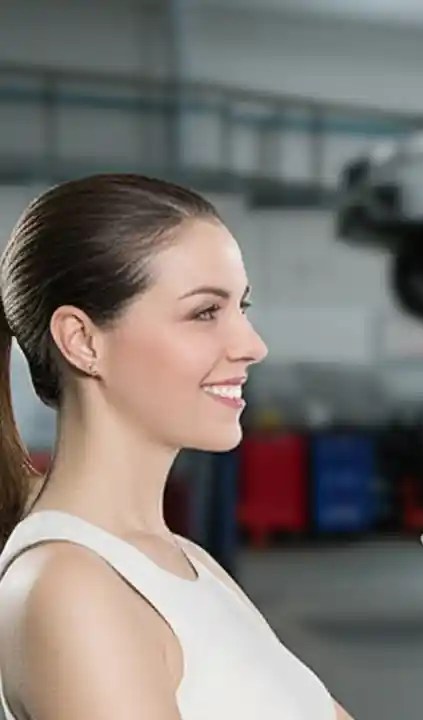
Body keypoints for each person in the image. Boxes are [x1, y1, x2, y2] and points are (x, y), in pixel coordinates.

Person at [0, 174, 357, 719]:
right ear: (82, 341)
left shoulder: (187, 562)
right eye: (205, 312)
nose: (253, 345)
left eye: (242, 307)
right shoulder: (69, 592)